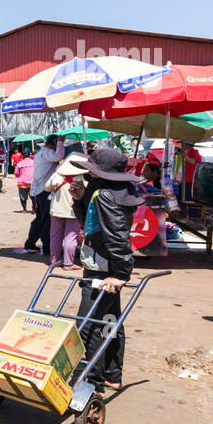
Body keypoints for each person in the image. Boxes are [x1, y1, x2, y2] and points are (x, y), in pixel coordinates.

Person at [69, 149, 142, 391]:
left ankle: (92, 382)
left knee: (86, 325)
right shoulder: (110, 191)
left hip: (102, 268)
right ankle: (112, 373)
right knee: (111, 320)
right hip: (105, 264)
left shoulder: (105, 196)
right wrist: (80, 199)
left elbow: (117, 237)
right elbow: (89, 225)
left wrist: (120, 275)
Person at [20, 134, 63, 256]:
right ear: (53, 143)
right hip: (42, 191)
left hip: (39, 191)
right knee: (46, 220)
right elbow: (59, 155)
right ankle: (47, 246)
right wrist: (61, 142)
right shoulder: (46, 152)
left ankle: (32, 243)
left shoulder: (44, 153)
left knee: (41, 219)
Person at [44, 154, 86, 270]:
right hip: (74, 210)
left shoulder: (58, 175)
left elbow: (46, 187)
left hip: (56, 210)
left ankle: (54, 261)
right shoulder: (83, 178)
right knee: (71, 237)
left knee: (55, 236)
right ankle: (68, 264)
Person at [133, 161, 170, 258]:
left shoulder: (159, 183)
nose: (143, 172)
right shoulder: (149, 182)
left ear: (154, 173)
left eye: (146, 170)